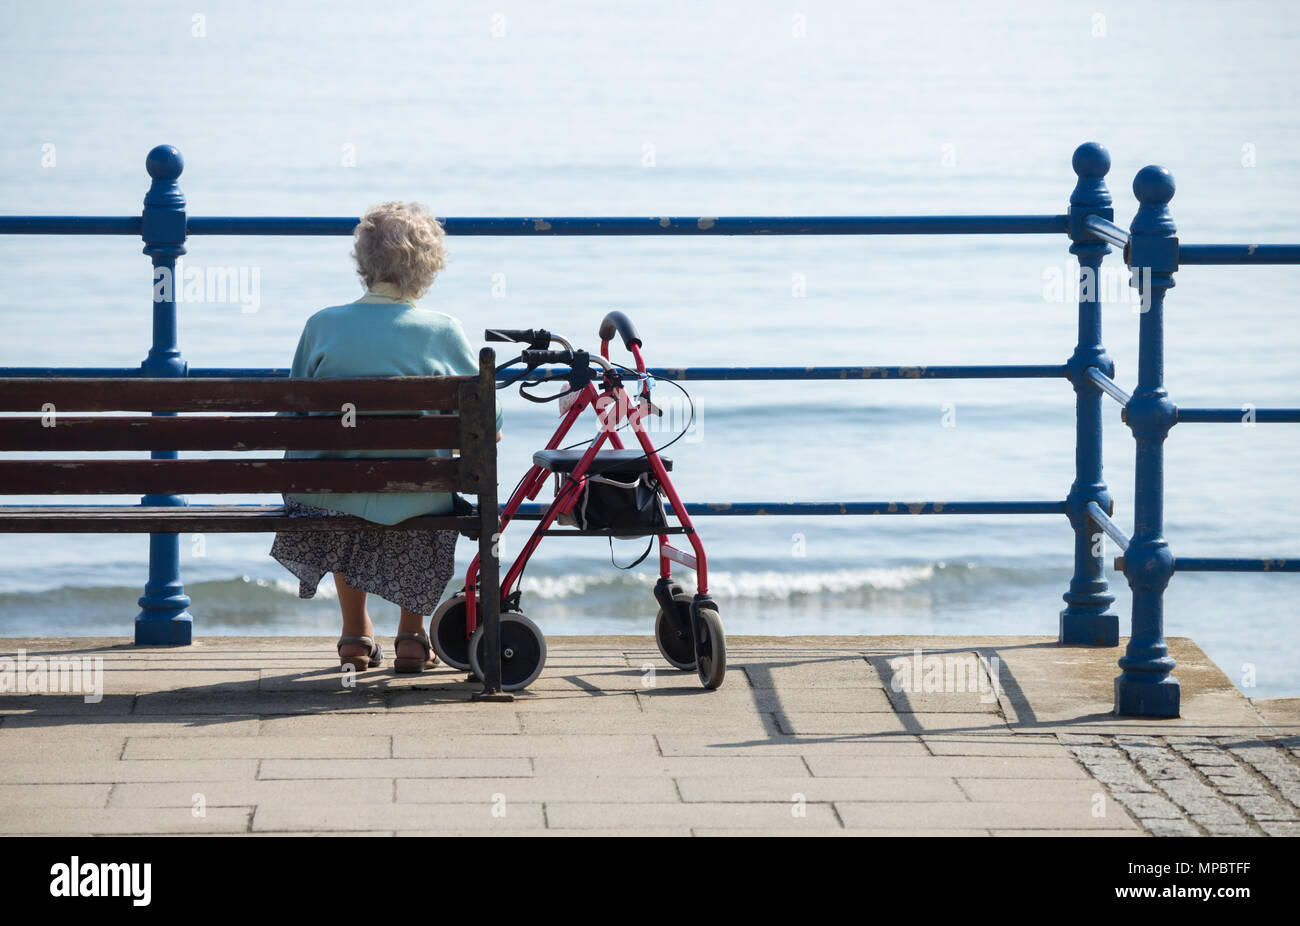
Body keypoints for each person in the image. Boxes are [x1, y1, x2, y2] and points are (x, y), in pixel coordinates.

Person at [270, 202, 502, 673]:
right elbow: (486, 430)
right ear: (428, 265)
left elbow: (292, 416)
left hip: (331, 494)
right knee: (424, 496)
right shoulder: (442, 331)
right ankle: (413, 638)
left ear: (364, 262)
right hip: (418, 496)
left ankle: (355, 636)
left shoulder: (322, 325)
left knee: (341, 493)